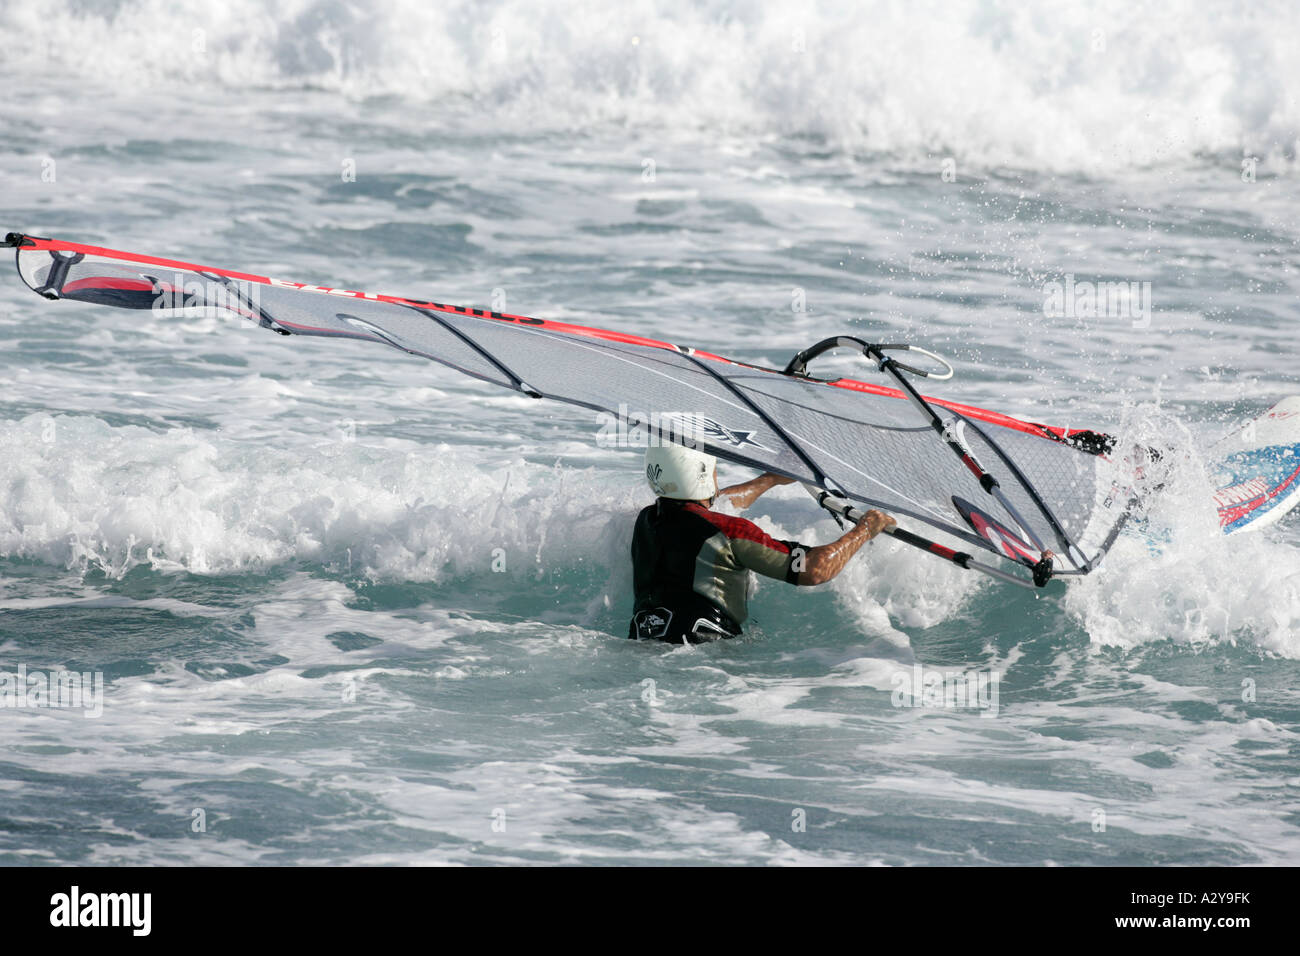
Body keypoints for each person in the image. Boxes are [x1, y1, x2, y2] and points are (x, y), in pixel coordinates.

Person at [629, 443, 896, 644]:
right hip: (707, 651)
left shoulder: (647, 519)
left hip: (644, 640)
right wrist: (864, 530)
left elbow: (713, 506)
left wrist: (770, 479)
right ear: (701, 477)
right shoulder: (732, 531)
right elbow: (814, 569)